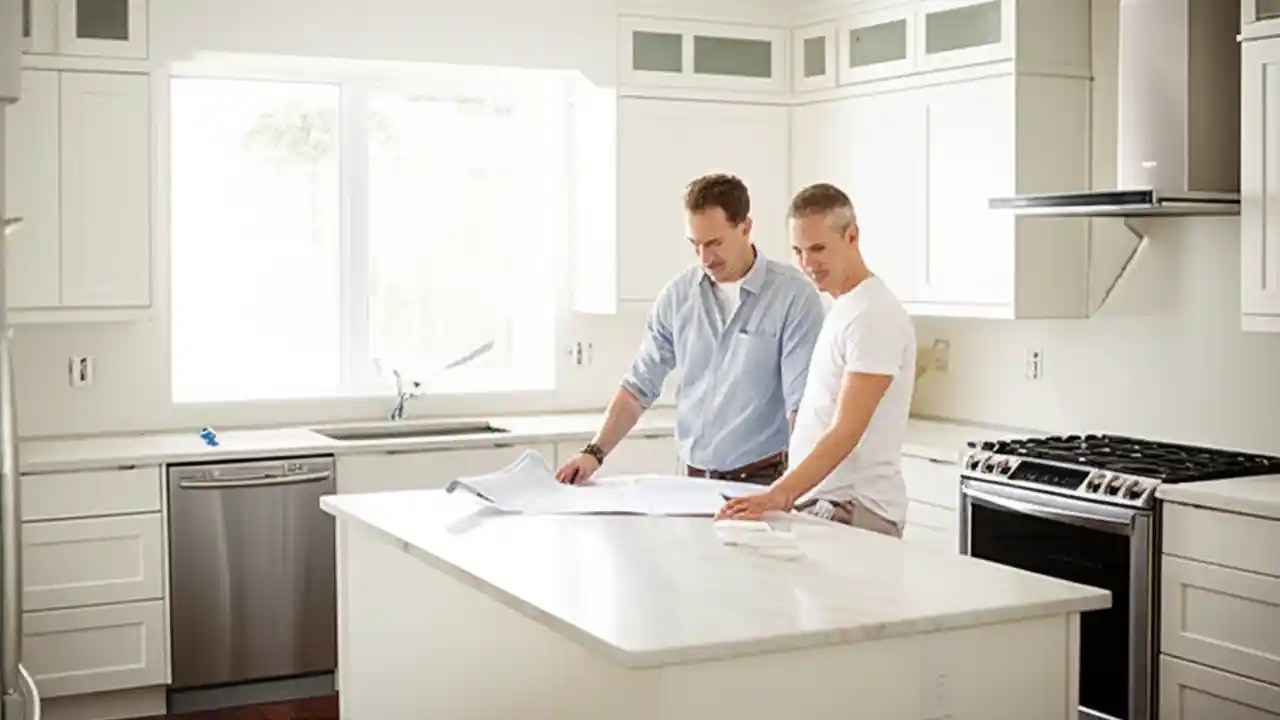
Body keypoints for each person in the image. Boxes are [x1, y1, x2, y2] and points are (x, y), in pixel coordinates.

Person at [556, 173, 825, 487]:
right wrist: (594, 452)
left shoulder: (793, 297)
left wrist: (798, 489)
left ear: (745, 227)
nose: (705, 258)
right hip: (692, 481)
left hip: (764, 481)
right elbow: (638, 387)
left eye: (714, 243)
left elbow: (801, 408)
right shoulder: (678, 296)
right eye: (695, 245)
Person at [717, 183, 916, 538]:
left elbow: (846, 429)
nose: (808, 263)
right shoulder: (847, 307)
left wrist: (779, 494)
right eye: (798, 251)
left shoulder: (874, 316)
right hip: (825, 501)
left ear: (852, 236)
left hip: (853, 508)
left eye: (818, 249)